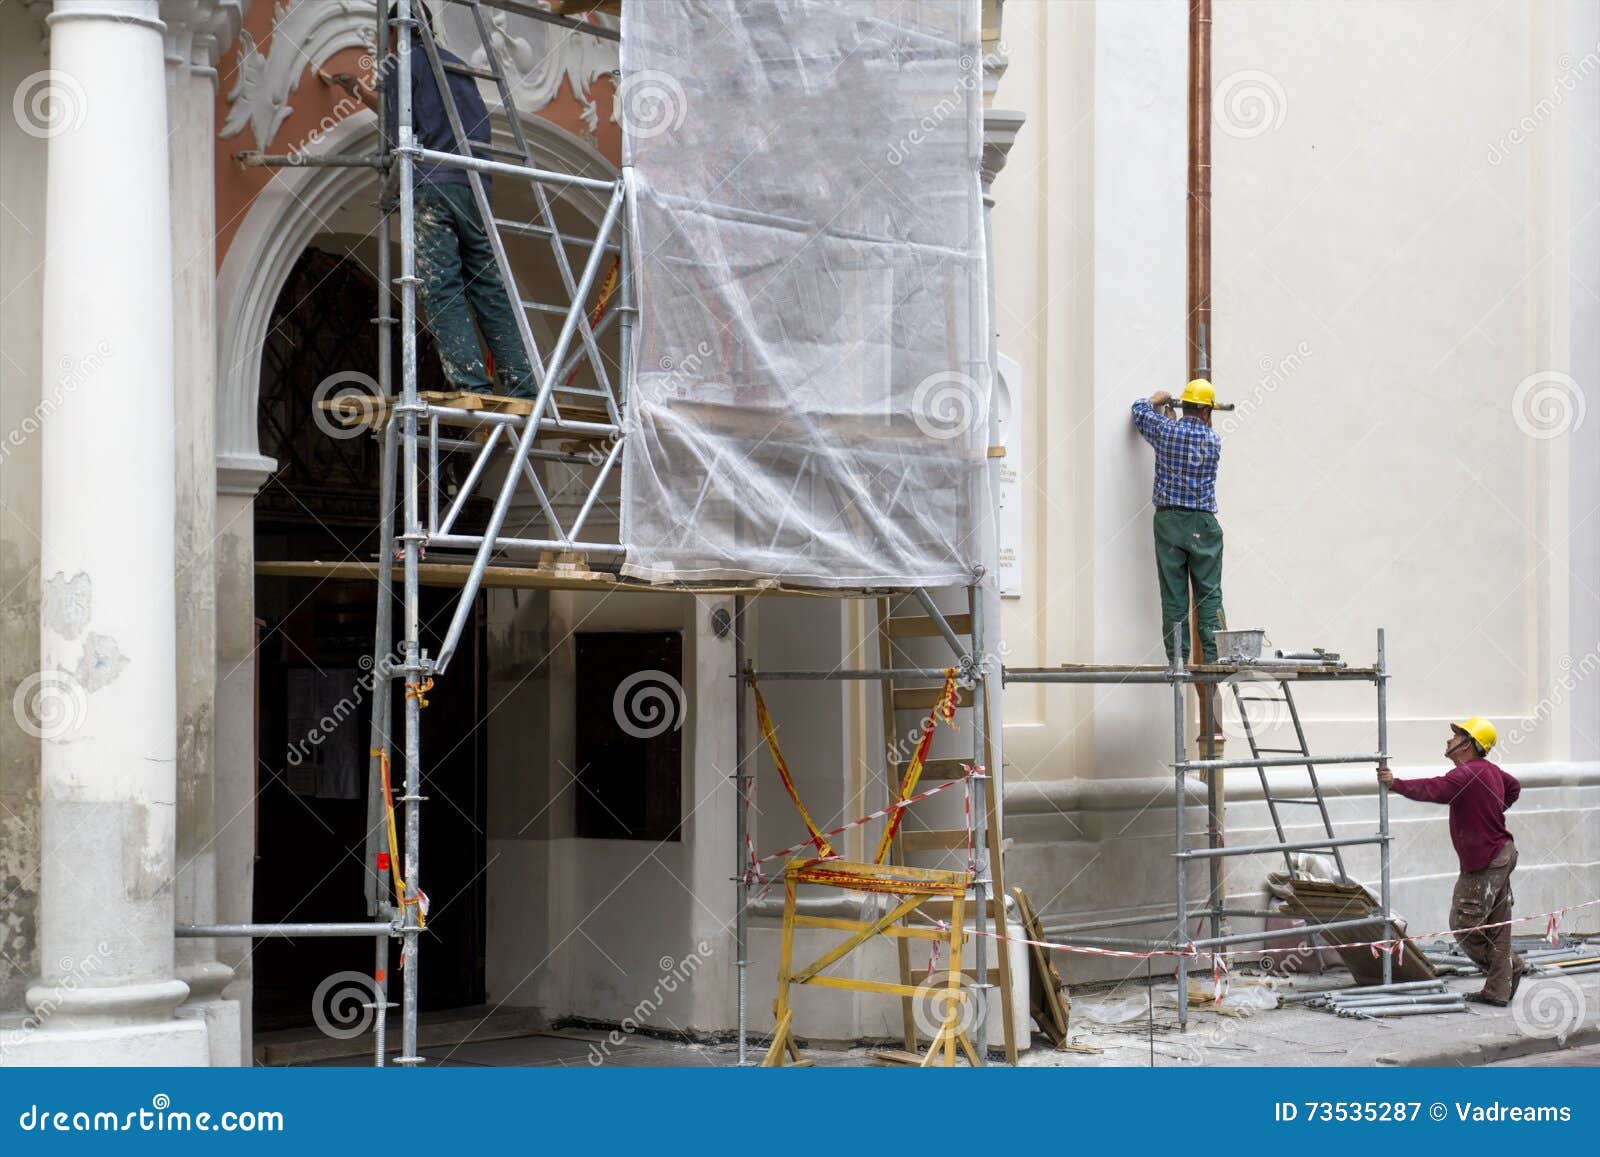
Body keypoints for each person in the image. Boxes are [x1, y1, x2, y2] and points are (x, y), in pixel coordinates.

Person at [326, 3, 534, 398]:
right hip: (474, 187)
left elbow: (396, 131)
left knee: (442, 285)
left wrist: (366, 95)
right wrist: (363, 94)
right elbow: (440, 119)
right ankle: (523, 384)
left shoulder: (402, 66)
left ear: (396, 31)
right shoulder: (456, 66)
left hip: (434, 186)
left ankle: (471, 382)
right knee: (487, 286)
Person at [1378, 717, 1527, 1006]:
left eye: (1457, 735)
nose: (1449, 740)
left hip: (1485, 860)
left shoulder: (1466, 775)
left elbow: (1432, 788)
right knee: (1497, 926)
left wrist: (1394, 783)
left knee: (1463, 926)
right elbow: (1514, 787)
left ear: (1469, 744)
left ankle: (1509, 967)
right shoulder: (1489, 771)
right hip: (1503, 852)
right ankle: (1497, 990)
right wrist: (1492, 807)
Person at [1131, 379, 1224, 664]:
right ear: (1207, 412)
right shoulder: (1214, 440)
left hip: (1170, 522)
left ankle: (1178, 659)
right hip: (1204, 524)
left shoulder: (1167, 431)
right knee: (1209, 595)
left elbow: (1139, 411)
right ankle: (1214, 658)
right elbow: (1190, 441)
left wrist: (1156, 400)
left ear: (1185, 407)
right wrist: (1173, 420)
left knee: (1174, 595)